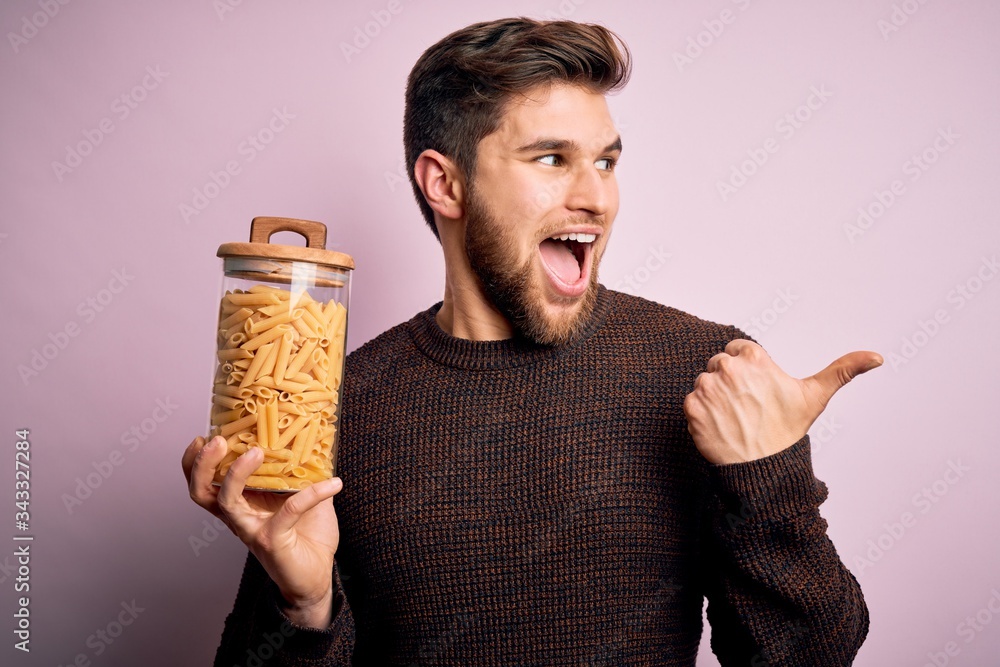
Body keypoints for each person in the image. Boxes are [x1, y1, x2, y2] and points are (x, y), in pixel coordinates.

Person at [184, 17, 880, 666]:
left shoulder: (707, 377)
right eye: (552, 159)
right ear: (445, 182)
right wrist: (304, 607)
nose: (597, 198)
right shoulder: (341, 404)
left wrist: (770, 479)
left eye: (606, 162)